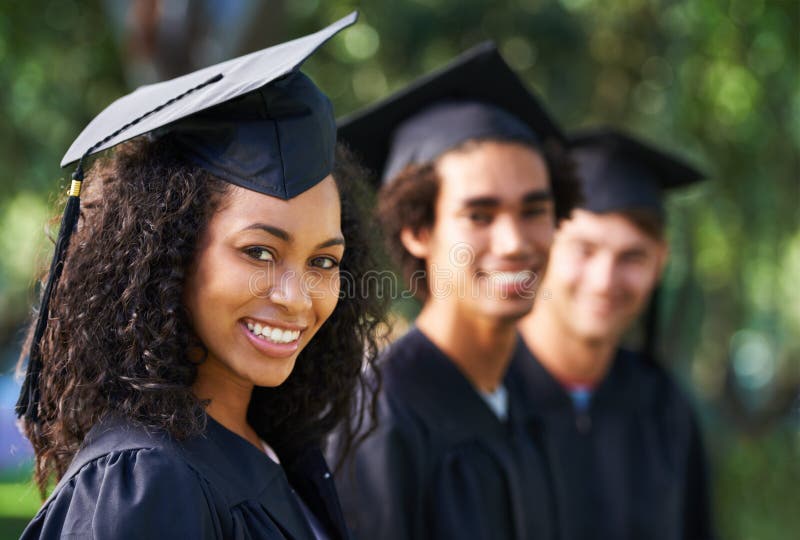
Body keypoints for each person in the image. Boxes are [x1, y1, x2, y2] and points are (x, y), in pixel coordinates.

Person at [16, 12, 387, 540]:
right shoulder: (146, 481)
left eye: (323, 261)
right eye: (259, 252)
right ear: (171, 252)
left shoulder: (266, 446)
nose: (295, 297)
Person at [331, 43, 580, 540]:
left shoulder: (530, 400)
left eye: (533, 211)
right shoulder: (378, 417)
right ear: (417, 231)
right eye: (479, 216)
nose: (514, 243)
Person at [517, 129, 716, 539]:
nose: (605, 281)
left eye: (632, 257)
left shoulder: (667, 412)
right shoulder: (477, 394)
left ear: (660, 263)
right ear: (543, 246)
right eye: (584, 250)